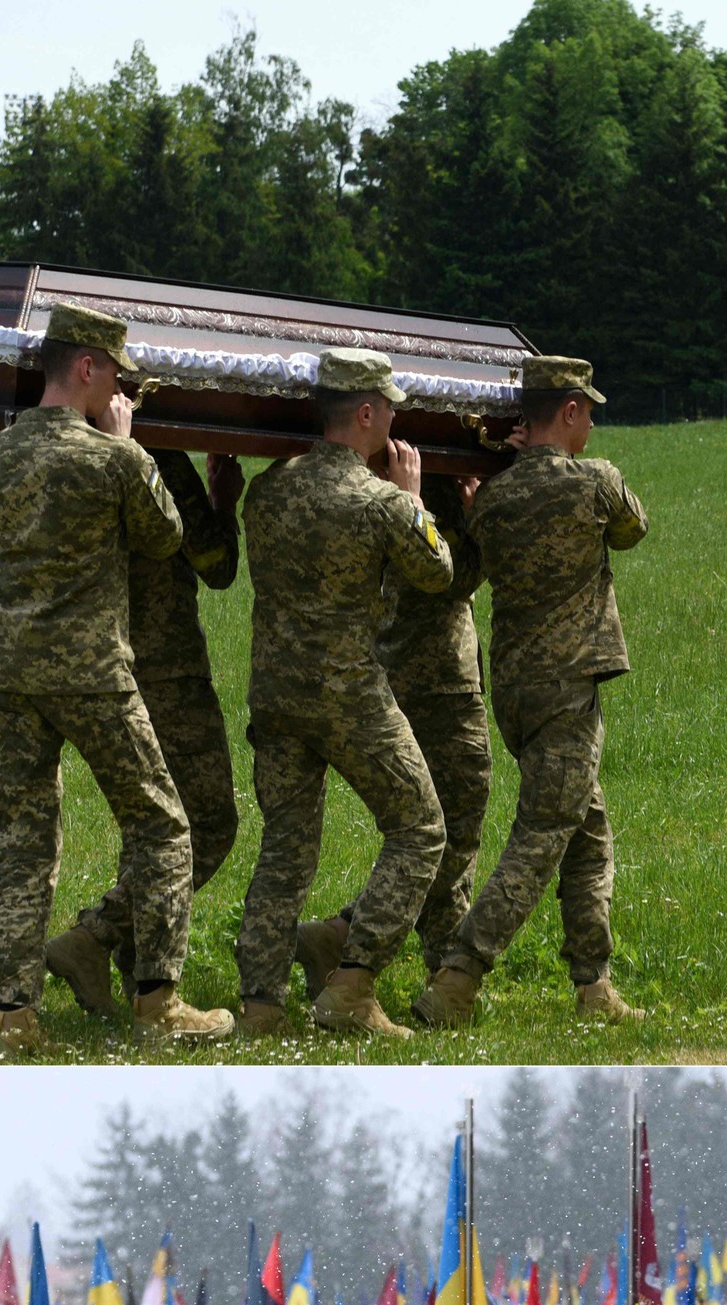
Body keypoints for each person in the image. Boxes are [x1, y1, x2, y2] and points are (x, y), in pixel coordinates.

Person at [0, 300, 234, 1052]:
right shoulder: (113, 458)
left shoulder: (0, 454)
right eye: (115, 374)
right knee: (164, 826)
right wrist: (127, 448)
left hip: (10, 671)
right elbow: (165, 533)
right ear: (86, 367)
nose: (121, 389)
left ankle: (15, 1018)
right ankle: (159, 1002)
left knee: (23, 843)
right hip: (90, 672)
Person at [415, 354, 649, 1028]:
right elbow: (634, 529)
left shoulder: (492, 499)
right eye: (588, 412)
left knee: (587, 831)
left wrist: (511, 473)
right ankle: (458, 976)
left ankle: (594, 984)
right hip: (570, 689)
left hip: (516, 694)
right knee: (542, 835)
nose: (593, 425)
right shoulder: (597, 482)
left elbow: (470, 566)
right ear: (569, 411)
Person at [235, 347, 453, 1039]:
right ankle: (352, 986)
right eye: (388, 409)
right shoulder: (380, 502)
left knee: (286, 848)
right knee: (421, 829)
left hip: (275, 694)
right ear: (364, 413)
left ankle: (261, 1004)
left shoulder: (266, 491)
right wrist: (414, 501)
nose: (394, 422)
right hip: (348, 695)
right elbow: (438, 571)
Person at [46, 449, 245, 1013]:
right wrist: (222, 501)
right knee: (205, 822)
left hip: (98, 657)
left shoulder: (73, 454)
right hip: (165, 664)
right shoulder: (156, 461)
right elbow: (215, 562)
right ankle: (97, 935)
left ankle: (140, 974)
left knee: (147, 824)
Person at [294, 469, 491, 998]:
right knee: (456, 821)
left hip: (395, 660)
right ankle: (390, 949)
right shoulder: (429, 486)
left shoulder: (378, 478)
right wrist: (478, 522)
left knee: (441, 820)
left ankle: (406, 955)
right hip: (440, 673)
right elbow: (455, 577)